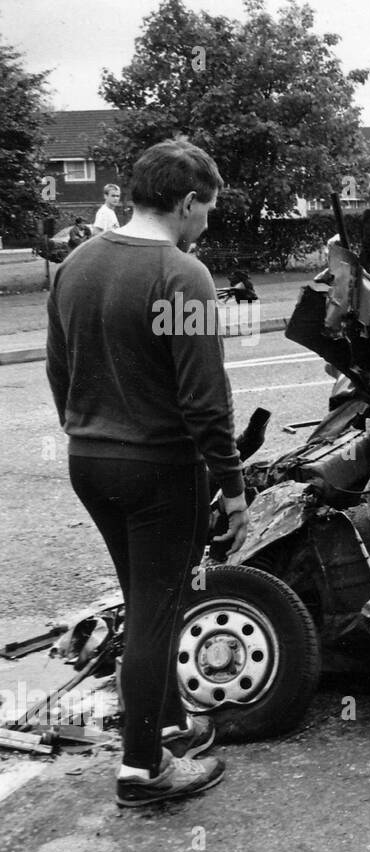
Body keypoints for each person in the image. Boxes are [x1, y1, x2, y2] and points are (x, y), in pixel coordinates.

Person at [46, 139, 246, 808]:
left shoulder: (74, 265)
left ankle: (163, 725)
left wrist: (88, 426)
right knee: (160, 607)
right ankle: (142, 769)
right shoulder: (181, 273)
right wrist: (233, 481)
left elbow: (58, 367)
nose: (208, 223)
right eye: (208, 209)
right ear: (188, 202)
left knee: (145, 597)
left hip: (89, 458)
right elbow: (204, 397)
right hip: (160, 467)